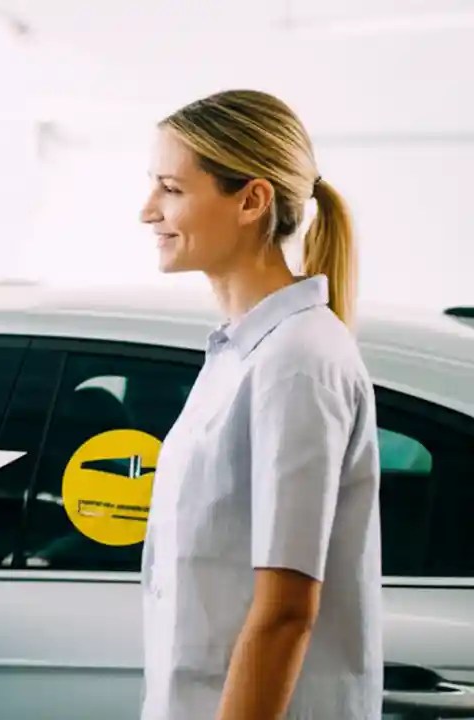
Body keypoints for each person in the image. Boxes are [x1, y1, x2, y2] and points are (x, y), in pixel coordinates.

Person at [137, 89, 383, 719]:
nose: (147, 212)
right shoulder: (244, 352)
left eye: (171, 189)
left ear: (251, 200)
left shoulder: (297, 360)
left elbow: (285, 613)